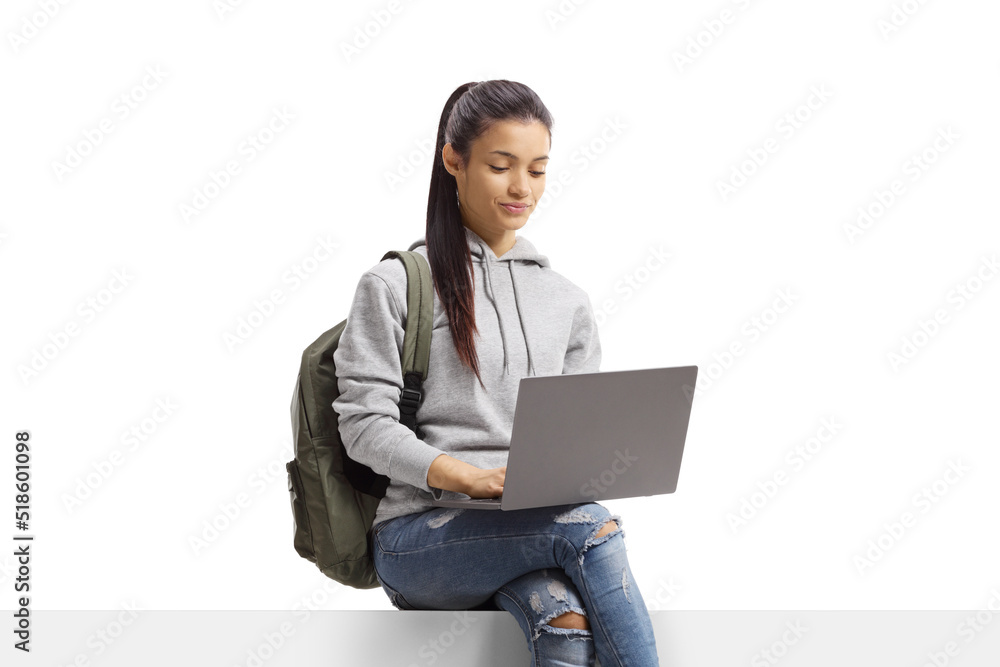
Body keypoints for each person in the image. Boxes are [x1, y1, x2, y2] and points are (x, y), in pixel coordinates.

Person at [333, 80, 660, 666]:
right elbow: (363, 428)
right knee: (591, 528)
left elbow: (574, 436)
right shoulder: (397, 285)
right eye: (501, 166)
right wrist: (467, 477)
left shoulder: (566, 301)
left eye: (537, 169)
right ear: (453, 161)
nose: (521, 188)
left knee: (563, 621)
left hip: (529, 528)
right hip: (419, 537)